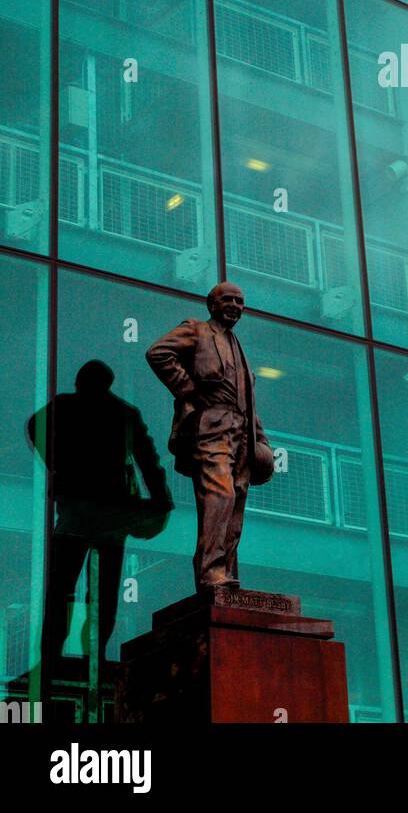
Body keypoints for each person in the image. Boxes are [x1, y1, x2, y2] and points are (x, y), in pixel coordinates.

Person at [28, 360, 172, 664]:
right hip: (111, 513)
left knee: (62, 589)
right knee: (102, 594)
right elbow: (149, 461)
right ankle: (94, 653)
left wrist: (56, 467)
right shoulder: (124, 413)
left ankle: (53, 654)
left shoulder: (65, 406)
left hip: (77, 511)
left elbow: (34, 428)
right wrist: (160, 499)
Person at [145, 282, 274, 591]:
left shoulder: (238, 347)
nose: (234, 305)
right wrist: (189, 390)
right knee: (221, 495)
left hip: (241, 432)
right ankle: (210, 570)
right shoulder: (197, 330)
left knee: (236, 502)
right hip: (212, 425)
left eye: (240, 301)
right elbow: (158, 353)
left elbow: (247, 403)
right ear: (212, 305)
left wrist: (261, 440)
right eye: (227, 299)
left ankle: (226, 571)